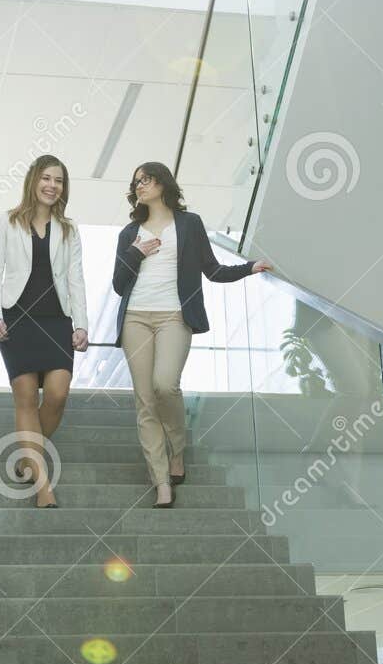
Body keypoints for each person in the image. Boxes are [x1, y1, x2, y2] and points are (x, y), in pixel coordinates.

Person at [113, 162, 271, 507]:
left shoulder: (189, 224)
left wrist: (249, 267)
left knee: (164, 385)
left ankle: (177, 450)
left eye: (147, 179)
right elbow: (118, 284)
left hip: (174, 316)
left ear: (162, 182)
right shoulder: (130, 232)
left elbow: (212, 271)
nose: (140, 185)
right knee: (145, 401)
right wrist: (136, 252)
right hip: (135, 318)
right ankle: (160, 482)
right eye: (136, 181)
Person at [0, 157, 88, 509]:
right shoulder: (7, 221)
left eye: (58, 180)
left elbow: (76, 278)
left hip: (57, 320)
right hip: (17, 319)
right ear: (33, 181)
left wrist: (82, 323)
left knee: (57, 395)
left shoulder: (69, 229)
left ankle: (29, 457)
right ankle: (44, 486)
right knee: (26, 398)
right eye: (46, 178)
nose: (52, 185)